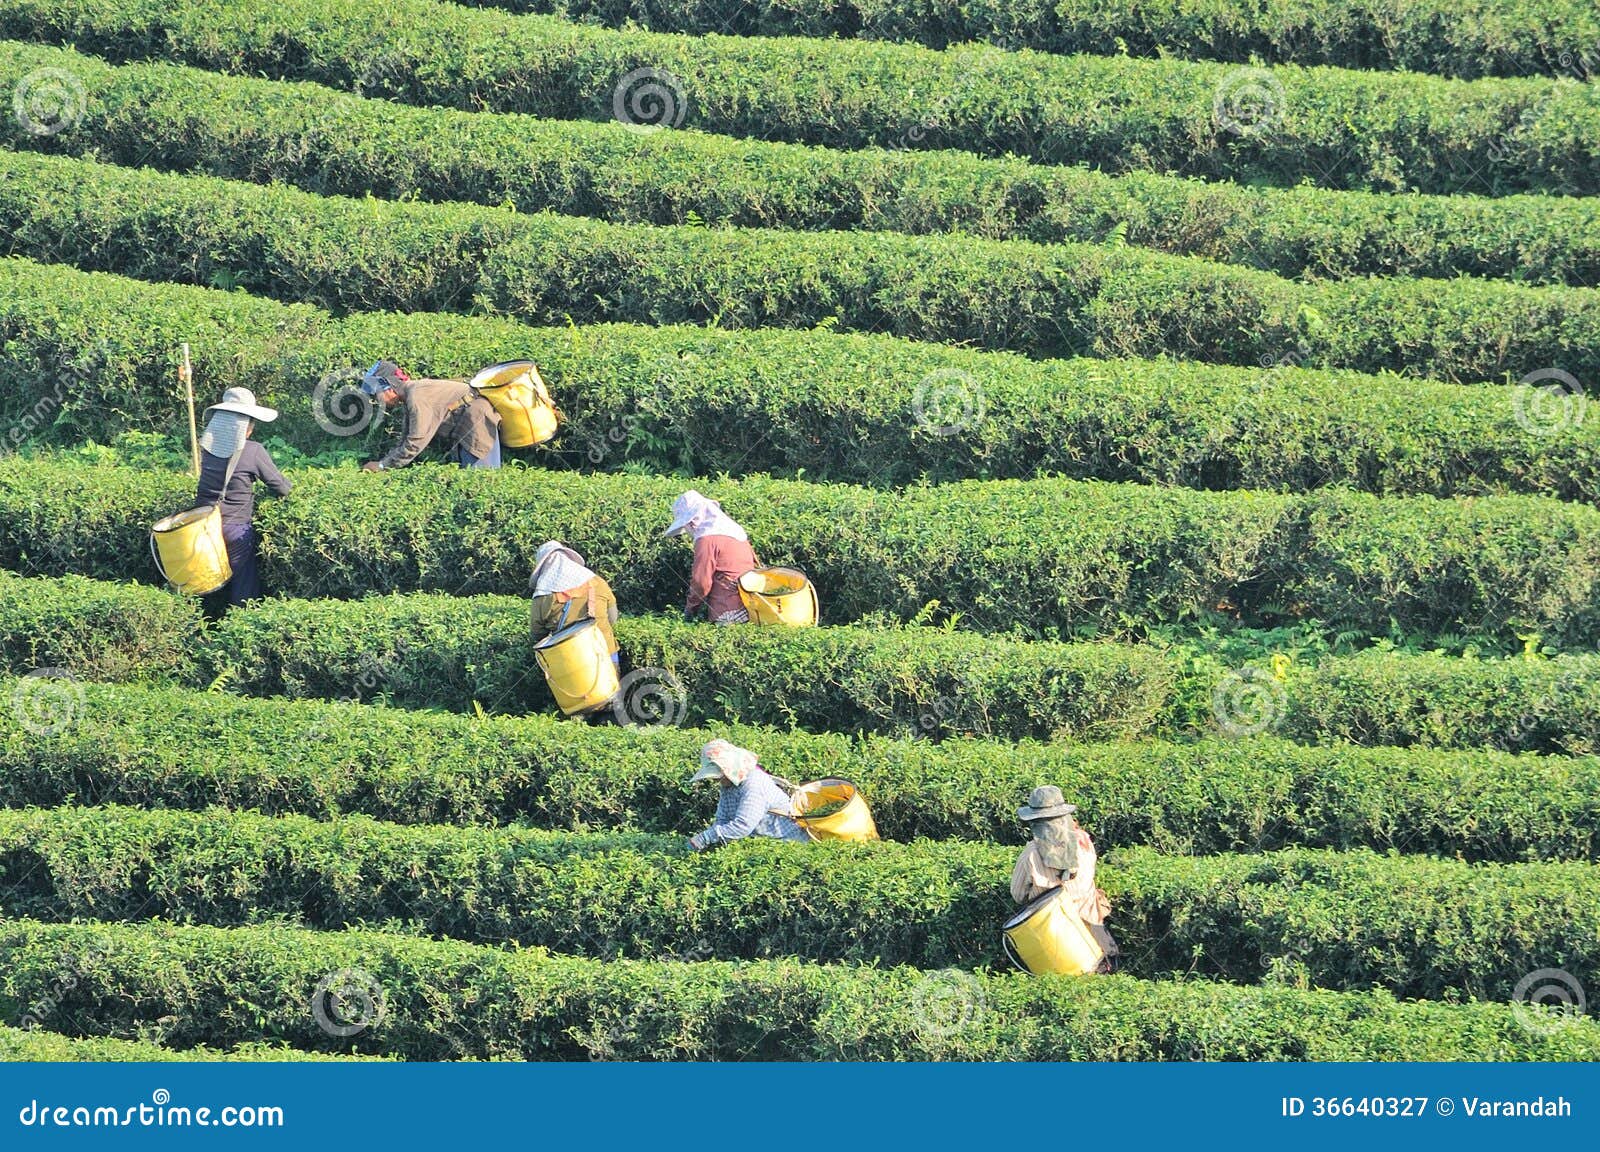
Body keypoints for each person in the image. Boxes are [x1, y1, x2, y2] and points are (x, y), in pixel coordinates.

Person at [193, 387, 291, 615]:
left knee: (207, 582)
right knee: (243, 586)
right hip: (235, 528)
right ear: (247, 428)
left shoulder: (207, 451)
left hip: (203, 525)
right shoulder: (254, 450)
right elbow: (283, 488)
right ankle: (241, 632)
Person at [1010, 785, 1118, 971]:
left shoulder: (1031, 854)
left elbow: (1018, 895)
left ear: (1035, 820)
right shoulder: (1084, 842)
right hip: (1094, 932)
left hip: (1056, 941)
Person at [356, 360, 502, 472]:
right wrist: (384, 463)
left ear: (388, 387)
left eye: (377, 394)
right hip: (469, 426)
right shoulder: (411, 394)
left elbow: (415, 441)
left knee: (481, 480)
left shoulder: (417, 397)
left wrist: (382, 466)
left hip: (477, 425)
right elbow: (406, 437)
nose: (377, 399)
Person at [687, 739, 809, 851]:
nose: (715, 780)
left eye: (718, 776)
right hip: (761, 843)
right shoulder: (729, 784)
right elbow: (723, 819)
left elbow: (743, 825)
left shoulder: (754, 783)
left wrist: (705, 838)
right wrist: (707, 838)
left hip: (787, 844)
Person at [662, 490, 757, 624]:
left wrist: (690, 610)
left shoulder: (707, 540)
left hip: (727, 612)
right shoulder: (734, 530)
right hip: (749, 607)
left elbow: (701, 583)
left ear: (692, 521)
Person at [528, 540, 621, 672]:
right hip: (606, 653)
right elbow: (612, 618)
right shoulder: (598, 582)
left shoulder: (542, 596)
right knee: (611, 691)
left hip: (569, 664)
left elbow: (537, 634)